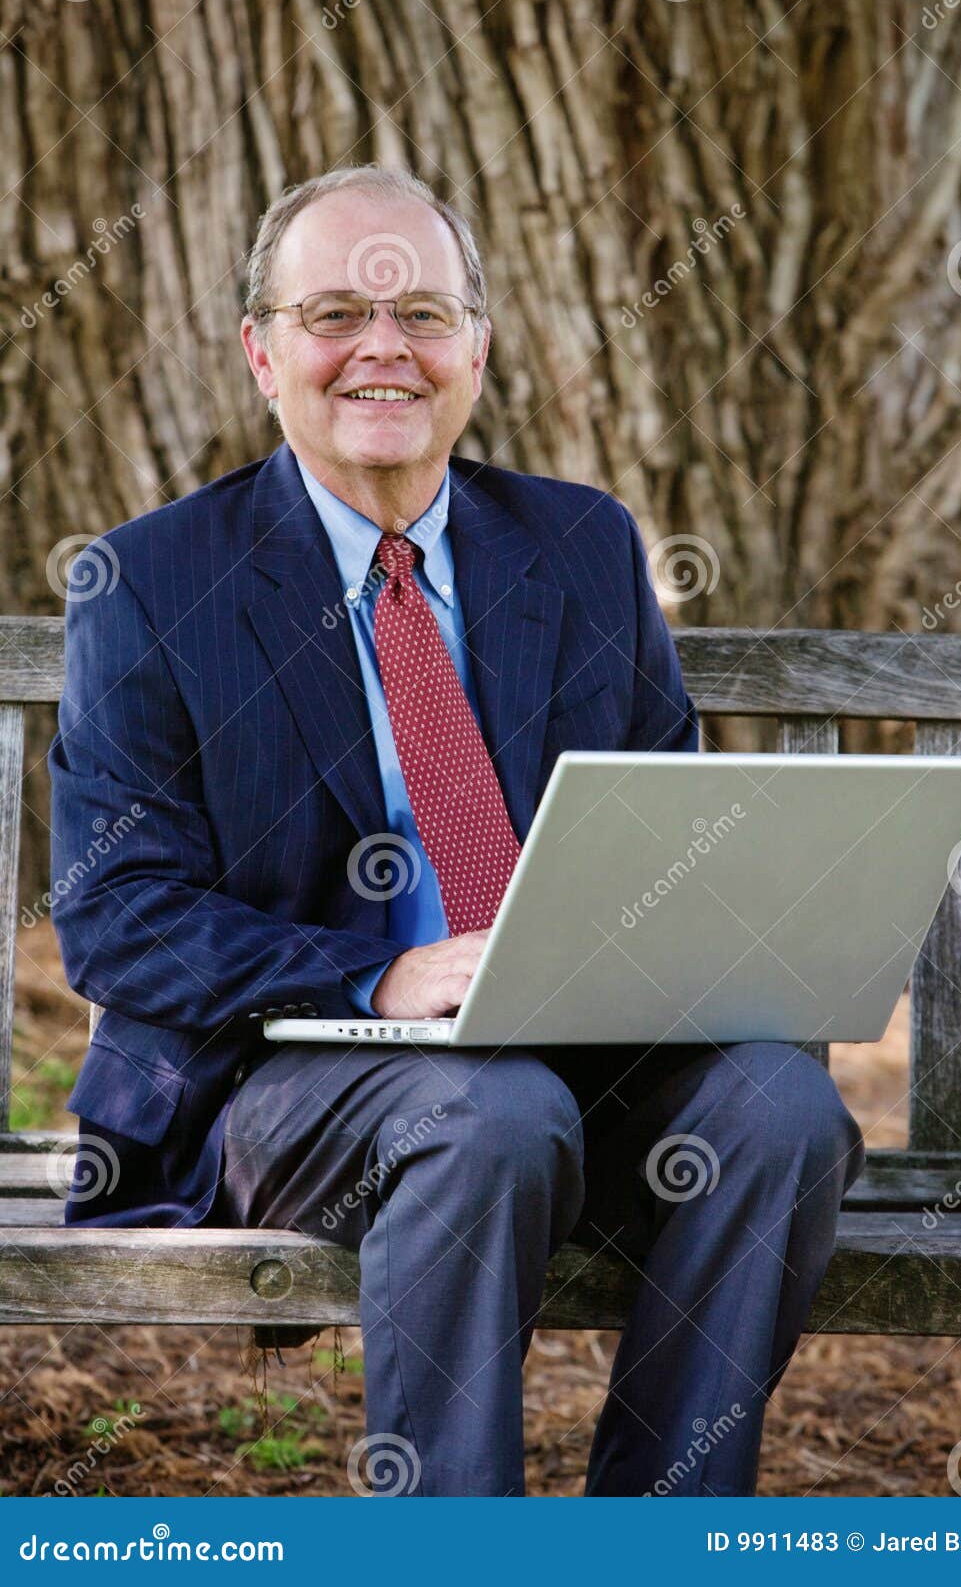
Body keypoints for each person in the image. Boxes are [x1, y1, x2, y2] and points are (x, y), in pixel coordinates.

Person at [48, 164, 865, 1496]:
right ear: (263, 352)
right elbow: (118, 912)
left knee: (779, 1105)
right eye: (334, 314)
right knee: (484, 1105)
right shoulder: (155, 582)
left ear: (477, 349)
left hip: (573, 1061)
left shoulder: (582, 545)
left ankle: (657, 1546)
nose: (385, 348)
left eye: (424, 313)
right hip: (291, 1082)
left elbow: (670, 827)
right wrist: (379, 975)